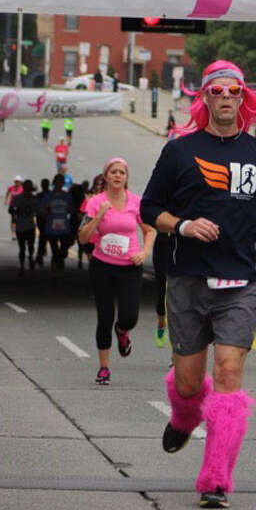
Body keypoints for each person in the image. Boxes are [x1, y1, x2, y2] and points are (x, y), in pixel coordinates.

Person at [141, 59, 256, 510]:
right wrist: (183, 225)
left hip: (240, 282)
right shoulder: (180, 150)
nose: (226, 98)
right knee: (192, 384)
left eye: (234, 91)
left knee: (229, 372)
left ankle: (215, 478)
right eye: (217, 91)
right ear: (206, 98)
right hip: (188, 280)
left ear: (244, 98)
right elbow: (149, 208)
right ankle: (182, 417)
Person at [78, 158, 156, 385]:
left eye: (122, 172)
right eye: (113, 172)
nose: (118, 175)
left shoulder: (136, 202)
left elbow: (149, 230)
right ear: (106, 176)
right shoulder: (96, 203)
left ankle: (122, 331)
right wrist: (100, 216)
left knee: (129, 316)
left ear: (126, 177)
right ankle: (104, 368)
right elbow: (83, 237)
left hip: (130, 267)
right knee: (104, 317)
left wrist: (144, 252)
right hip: (102, 266)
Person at [9, 180, 38, 276]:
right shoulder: (32, 198)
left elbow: (11, 210)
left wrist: (16, 212)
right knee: (27, 246)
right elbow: (11, 210)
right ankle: (27, 260)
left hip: (24, 225)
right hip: (26, 225)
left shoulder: (18, 198)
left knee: (25, 247)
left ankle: (25, 262)